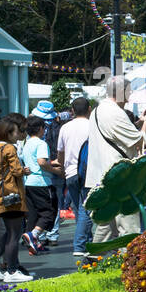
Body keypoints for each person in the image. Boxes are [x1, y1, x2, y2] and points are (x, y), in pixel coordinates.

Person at [85, 78, 146, 247]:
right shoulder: (115, 112)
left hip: (102, 174)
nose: (130, 94)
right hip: (119, 177)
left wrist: (137, 123)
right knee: (128, 224)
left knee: (105, 222)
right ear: (120, 92)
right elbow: (137, 141)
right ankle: (129, 262)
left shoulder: (98, 111)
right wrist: (145, 126)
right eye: (128, 90)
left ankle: (93, 259)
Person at [0, 117, 33, 283]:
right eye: (16, 131)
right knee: (14, 233)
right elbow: (16, 171)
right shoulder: (9, 148)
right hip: (11, 196)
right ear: (8, 133)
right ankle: (11, 271)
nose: (18, 134)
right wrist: (24, 171)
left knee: (2, 234)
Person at [55, 97, 94, 258]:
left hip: (70, 171)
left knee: (79, 209)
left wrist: (63, 167)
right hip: (88, 171)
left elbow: (60, 152)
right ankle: (80, 244)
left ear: (72, 110)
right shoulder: (93, 126)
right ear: (89, 109)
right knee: (87, 208)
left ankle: (86, 241)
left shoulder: (65, 127)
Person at [19, 115, 62, 254]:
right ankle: (34, 235)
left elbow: (35, 161)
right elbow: (42, 162)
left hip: (30, 182)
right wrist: (56, 170)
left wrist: (51, 162)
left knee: (33, 215)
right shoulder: (41, 143)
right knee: (49, 212)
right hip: (42, 182)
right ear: (40, 129)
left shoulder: (27, 144)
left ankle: (32, 244)